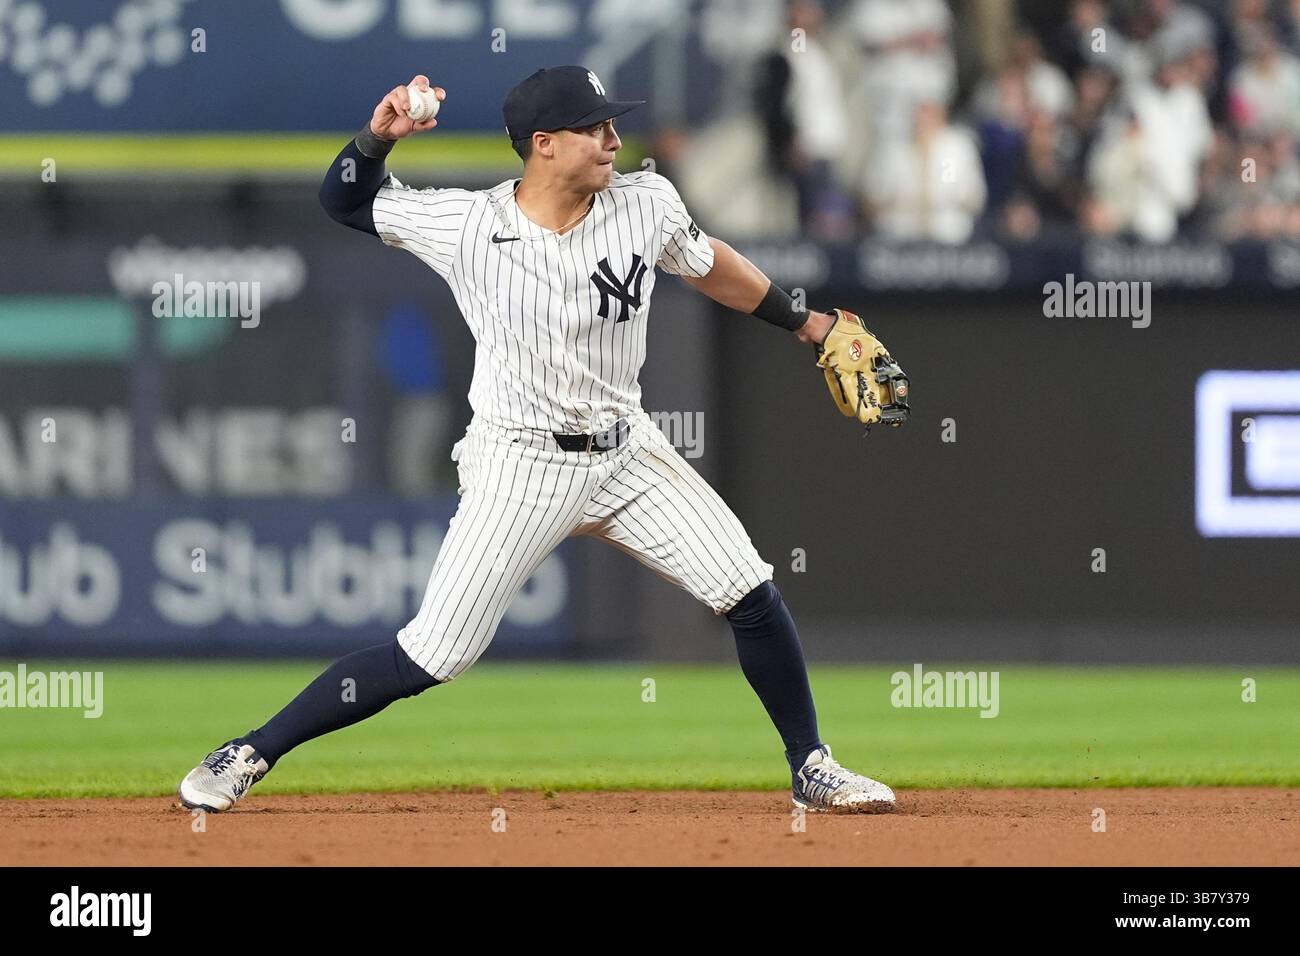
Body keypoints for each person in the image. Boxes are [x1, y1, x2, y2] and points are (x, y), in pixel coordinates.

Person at [176, 66, 898, 815]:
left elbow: (711, 264)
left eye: (613, 124)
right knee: (431, 656)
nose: (614, 139)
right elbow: (343, 200)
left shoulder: (645, 202)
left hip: (627, 453)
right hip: (519, 463)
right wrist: (377, 137)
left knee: (748, 588)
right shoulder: (465, 224)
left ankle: (811, 763)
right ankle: (250, 750)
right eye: (596, 128)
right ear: (545, 145)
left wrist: (809, 325)